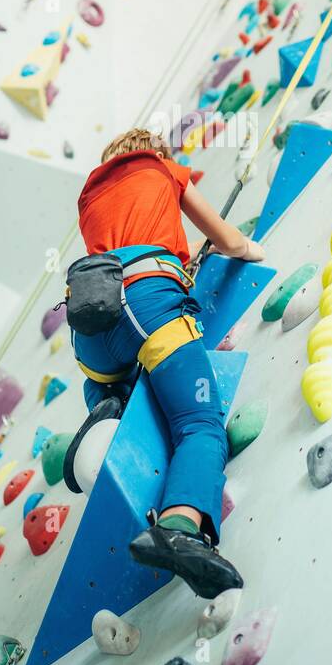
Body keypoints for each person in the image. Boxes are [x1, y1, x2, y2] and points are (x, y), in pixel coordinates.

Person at [68, 128, 264, 598]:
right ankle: (179, 526)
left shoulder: (90, 197)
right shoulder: (162, 168)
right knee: (199, 423)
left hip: (90, 326)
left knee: (128, 381)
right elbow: (226, 238)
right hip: (149, 300)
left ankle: (106, 411)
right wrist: (249, 250)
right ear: (154, 151)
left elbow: (119, 246)